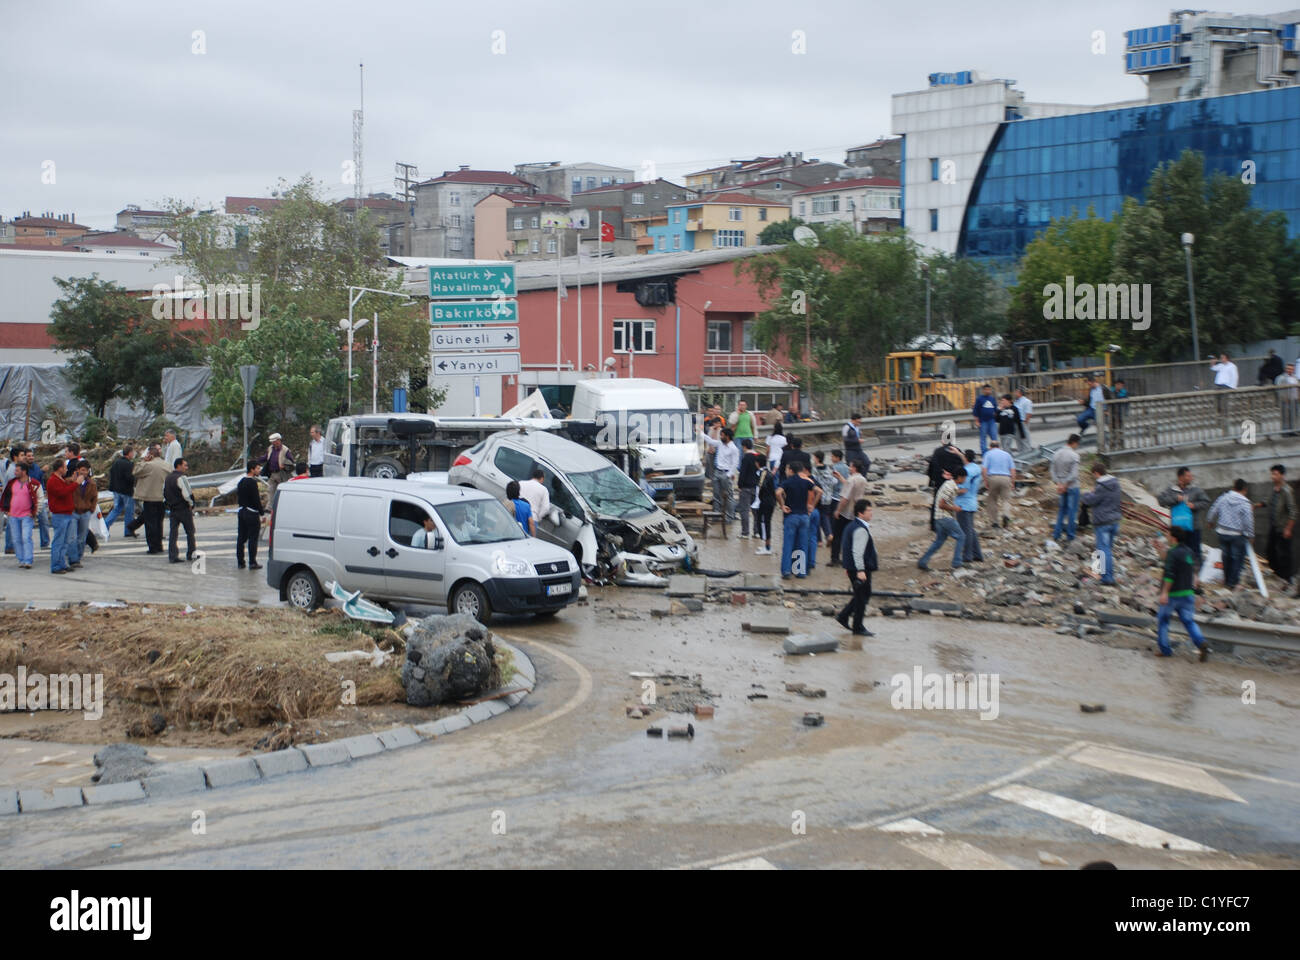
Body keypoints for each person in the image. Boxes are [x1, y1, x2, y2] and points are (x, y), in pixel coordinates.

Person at [1156, 527, 1210, 661]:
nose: (1166, 536)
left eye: (1168, 534)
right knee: (1189, 621)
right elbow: (1194, 570)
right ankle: (1201, 642)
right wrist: (1159, 549)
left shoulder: (1173, 553)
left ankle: (1165, 650)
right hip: (1187, 593)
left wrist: (1164, 593)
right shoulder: (1188, 552)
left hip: (1173, 594)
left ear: (1173, 537)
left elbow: (1169, 575)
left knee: (1163, 621)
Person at [836, 499, 877, 637]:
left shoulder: (852, 525)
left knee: (862, 595)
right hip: (859, 569)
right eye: (869, 511)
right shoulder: (860, 529)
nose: (871, 513)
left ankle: (844, 616)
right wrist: (860, 570)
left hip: (853, 567)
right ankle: (857, 627)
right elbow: (857, 552)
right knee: (862, 597)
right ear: (860, 513)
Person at [1207, 478, 1255, 590]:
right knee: (1236, 559)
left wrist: (1210, 521)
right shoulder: (1245, 502)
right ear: (1245, 489)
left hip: (1222, 533)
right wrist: (1251, 535)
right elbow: (1248, 520)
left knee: (1226, 557)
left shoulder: (1223, 497)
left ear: (1234, 487)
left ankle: (1227, 580)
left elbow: (1213, 509)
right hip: (1237, 535)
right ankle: (1232, 583)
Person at [917, 465, 966, 571]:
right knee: (961, 537)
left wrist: (960, 492)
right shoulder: (950, 487)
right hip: (945, 517)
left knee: (939, 541)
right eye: (964, 478)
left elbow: (948, 496)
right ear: (960, 477)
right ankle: (957, 562)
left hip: (938, 518)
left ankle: (923, 561)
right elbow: (941, 504)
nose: (965, 480)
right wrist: (955, 508)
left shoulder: (950, 485)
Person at [1155, 466, 1209, 562]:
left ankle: (1195, 573)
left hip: (1194, 527)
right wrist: (1176, 498)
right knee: (1179, 552)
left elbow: (1205, 502)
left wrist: (1194, 505)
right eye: (1188, 476)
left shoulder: (1196, 490)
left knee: (1194, 552)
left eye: (1190, 476)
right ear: (1180, 477)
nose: (1191, 478)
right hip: (1178, 529)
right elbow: (1161, 500)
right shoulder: (1172, 490)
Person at [775, 462, 818, 579]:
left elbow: (778, 492)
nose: (786, 471)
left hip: (791, 516)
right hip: (804, 517)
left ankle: (786, 571)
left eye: (787, 469)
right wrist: (813, 505)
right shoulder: (806, 481)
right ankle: (800, 571)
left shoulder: (788, 482)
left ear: (791, 470)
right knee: (802, 545)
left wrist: (782, 506)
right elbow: (819, 491)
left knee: (788, 544)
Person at [1081, 461, 1121, 586]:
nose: (1094, 477)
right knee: (1107, 549)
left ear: (1097, 473)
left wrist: (1087, 493)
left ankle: (1107, 578)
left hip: (1103, 522)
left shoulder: (1101, 487)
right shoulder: (1116, 483)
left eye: (1094, 475)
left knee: (1103, 551)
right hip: (1115, 520)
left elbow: (1090, 500)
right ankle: (1100, 572)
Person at [128, 443, 170, 554]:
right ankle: (159, 545)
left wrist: (143, 461)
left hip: (149, 497)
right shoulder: (166, 465)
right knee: (159, 523)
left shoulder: (148, 465)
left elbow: (135, 471)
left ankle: (153, 547)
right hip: (162, 498)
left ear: (150, 454)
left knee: (150, 524)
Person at [1, 460, 40, 569]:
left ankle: (28, 560)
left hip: (27, 515)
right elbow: (6, 495)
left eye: (17, 470)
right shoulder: (12, 483)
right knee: (16, 539)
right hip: (13, 515)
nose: (15, 472)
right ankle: (21, 559)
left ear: (24, 471)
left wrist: (34, 512)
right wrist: (6, 509)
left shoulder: (32, 483)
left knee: (26, 537)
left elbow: (38, 497)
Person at [699, 425, 739, 528]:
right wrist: (700, 432)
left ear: (727, 436)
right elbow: (711, 441)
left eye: (722, 435)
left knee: (729, 496)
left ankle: (730, 517)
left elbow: (735, 464)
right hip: (717, 472)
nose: (720, 437)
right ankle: (716, 516)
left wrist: (729, 475)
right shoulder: (721, 444)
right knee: (716, 495)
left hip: (726, 474)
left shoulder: (734, 448)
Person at [1264, 464, 1297, 586]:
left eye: (1275, 474)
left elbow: (1293, 511)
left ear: (1282, 475)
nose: (1272, 476)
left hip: (1283, 528)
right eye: (1272, 474)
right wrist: (1256, 505)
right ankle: (1278, 574)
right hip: (1274, 527)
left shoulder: (1286, 491)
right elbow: (1267, 502)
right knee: (1270, 551)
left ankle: (1287, 578)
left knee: (1285, 554)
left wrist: (1288, 529)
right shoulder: (1274, 490)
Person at [833, 457, 869, 563]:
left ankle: (835, 558)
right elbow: (850, 487)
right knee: (853, 535)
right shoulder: (862, 479)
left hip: (846, 512)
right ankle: (852, 558)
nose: (849, 468)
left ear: (854, 468)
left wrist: (838, 510)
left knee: (838, 535)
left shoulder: (851, 479)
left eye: (851, 466)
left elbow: (845, 498)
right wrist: (840, 477)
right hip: (857, 512)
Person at [45, 458, 77, 574]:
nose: (66, 469)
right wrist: (76, 483)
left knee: (65, 541)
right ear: (60, 468)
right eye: (65, 467)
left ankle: (62, 563)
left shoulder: (60, 480)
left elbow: (65, 489)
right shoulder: (53, 481)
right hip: (60, 514)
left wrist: (71, 481)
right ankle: (56, 565)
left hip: (67, 513)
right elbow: (62, 493)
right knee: (59, 541)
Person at [926, 441, 965, 531]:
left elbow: (932, 467)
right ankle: (952, 526)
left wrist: (932, 480)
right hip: (953, 481)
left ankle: (934, 526)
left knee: (937, 502)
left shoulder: (937, 451)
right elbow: (962, 467)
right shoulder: (957, 451)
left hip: (940, 481)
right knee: (952, 502)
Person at [164, 458, 197, 563]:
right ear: (179, 465)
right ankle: (191, 553)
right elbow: (187, 493)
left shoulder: (168, 478)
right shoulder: (182, 478)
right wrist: (191, 504)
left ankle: (172, 555)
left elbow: (164, 493)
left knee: (173, 533)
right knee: (190, 532)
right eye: (185, 465)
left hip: (173, 509)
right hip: (183, 508)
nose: (186, 467)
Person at [1051, 434, 1082, 541]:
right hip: (1072, 487)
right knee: (1072, 512)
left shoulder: (1056, 454)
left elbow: (1053, 472)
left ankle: (1057, 534)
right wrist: (1065, 484)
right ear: (1075, 442)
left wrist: (1059, 484)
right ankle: (1070, 536)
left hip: (1060, 486)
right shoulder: (1074, 455)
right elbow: (1074, 475)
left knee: (1062, 511)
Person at [955, 449, 984, 564]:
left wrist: (951, 489)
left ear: (965, 458)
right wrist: (958, 453)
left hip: (963, 504)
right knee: (971, 530)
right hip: (972, 502)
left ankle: (967, 556)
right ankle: (977, 554)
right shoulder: (976, 468)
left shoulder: (966, 471)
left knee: (965, 532)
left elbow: (963, 490)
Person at [235, 461, 264, 569]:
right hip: (252, 513)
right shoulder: (252, 483)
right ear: (252, 470)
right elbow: (256, 500)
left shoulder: (241, 481)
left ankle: (240, 561)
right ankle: (252, 562)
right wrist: (261, 512)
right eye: (257, 468)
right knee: (253, 538)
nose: (259, 470)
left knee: (241, 538)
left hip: (242, 511)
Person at [981, 439, 1016, 529]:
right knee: (1006, 500)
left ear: (990, 447)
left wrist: (985, 481)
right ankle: (1006, 515)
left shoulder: (988, 454)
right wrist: (1012, 482)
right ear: (999, 446)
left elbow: (984, 469)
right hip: (1006, 477)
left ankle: (995, 522)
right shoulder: (1007, 454)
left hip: (993, 477)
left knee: (992, 500)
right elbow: (1012, 470)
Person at [104, 444, 137, 537]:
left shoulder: (116, 462)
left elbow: (111, 473)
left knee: (117, 509)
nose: (133, 454)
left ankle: (105, 526)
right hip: (126, 490)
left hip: (116, 489)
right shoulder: (129, 464)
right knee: (129, 511)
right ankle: (128, 530)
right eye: (133, 453)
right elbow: (130, 478)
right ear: (129, 453)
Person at [70, 460, 98, 566]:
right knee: (72, 536)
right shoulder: (71, 481)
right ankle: (73, 558)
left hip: (85, 512)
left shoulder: (91, 483)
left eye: (86, 470)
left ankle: (79, 556)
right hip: (73, 512)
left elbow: (95, 497)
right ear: (77, 470)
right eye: (82, 470)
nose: (84, 473)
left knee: (82, 537)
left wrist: (91, 509)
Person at [22, 449, 50, 549]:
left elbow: (39, 480)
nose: (31, 458)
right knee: (27, 523)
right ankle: (25, 544)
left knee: (44, 520)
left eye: (32, 456)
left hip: (38, 498)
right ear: (24, 457)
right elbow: (30, 480)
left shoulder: (36, 467)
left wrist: (44, 491)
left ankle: (45, 543)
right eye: (29, 456)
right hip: (27, 499)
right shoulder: (23, 469)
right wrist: (42, 471)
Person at [736, 438, 763, 540]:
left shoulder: (746, 458)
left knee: (744, 510)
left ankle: (745, 533)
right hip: (756, 488)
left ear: (744, 446)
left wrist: (739, 485)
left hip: (746, 487)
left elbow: (742, 473)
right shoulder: (758, 457)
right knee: (756, 511)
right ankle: (757, 532)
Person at [812, 450, 838, 548]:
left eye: (814, 457)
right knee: (825, 516)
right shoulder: (828, 468)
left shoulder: (814, 470)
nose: (813, 459)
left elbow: (813, 482)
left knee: (816, 518)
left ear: (817, 458)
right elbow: (834, 481)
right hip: (828, 497)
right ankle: (829, 534)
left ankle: (819, 541)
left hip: (818, 497)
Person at [753, 460, 777, 556]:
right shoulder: (767, 473)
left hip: (766, 502)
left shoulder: (763, 474)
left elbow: (761, 488)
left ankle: (767, 547)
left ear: (757, 463)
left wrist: (759, 499)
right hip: (769, 502)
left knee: (765, 523)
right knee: (765, 523)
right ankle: (766, 545)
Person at [971, 385, 998, 454]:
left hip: (991, 421)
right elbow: (975, 410)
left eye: (989, 389)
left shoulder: (992, 398)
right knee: (983, 438)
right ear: (983, 390)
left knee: (994, 437)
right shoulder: (979, 399)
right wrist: (976, 421)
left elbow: (995, 409)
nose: (988, 391)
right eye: (986, 389)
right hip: (983, 421)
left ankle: (995, 452)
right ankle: (984, 453)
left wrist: (995, 416)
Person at [1276, 362, 1300, 435]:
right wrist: (1284, 398)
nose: (1290, 370)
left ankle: (1293, 430)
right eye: (1288, 369)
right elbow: (1279, 389)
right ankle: (1285, 432)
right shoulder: (1281, 378)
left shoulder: (1295, 377)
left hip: (1294, 399)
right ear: (1286, 369)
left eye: (1291, 369)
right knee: (1285, 416)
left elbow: (1298, 388)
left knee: (1294, 416)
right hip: (1286, 400)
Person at [701, 405, 723, 480]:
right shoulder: (707, 422)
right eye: (715, 423)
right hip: (709, 447)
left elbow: (719, 441)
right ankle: (710, 477)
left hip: (718, 449)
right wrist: (708, 448)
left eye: (718, 423)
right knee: (709, 462)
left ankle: (716, 477)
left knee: (716, 464)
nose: (716, 425)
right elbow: (708, 439)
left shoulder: (721, 430)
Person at [1013, 387, 1034, 454]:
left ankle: (1028, 455)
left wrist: (1025, 422)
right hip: (1016, 423)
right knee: (1018, 440)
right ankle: (1021, 455)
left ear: (1020, 393)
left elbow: (1029, 413)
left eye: (1016, 392)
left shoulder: (1027, 401)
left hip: (1022, 423)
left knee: (1025, 440)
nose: (1015, 393)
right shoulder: (1016, 402)